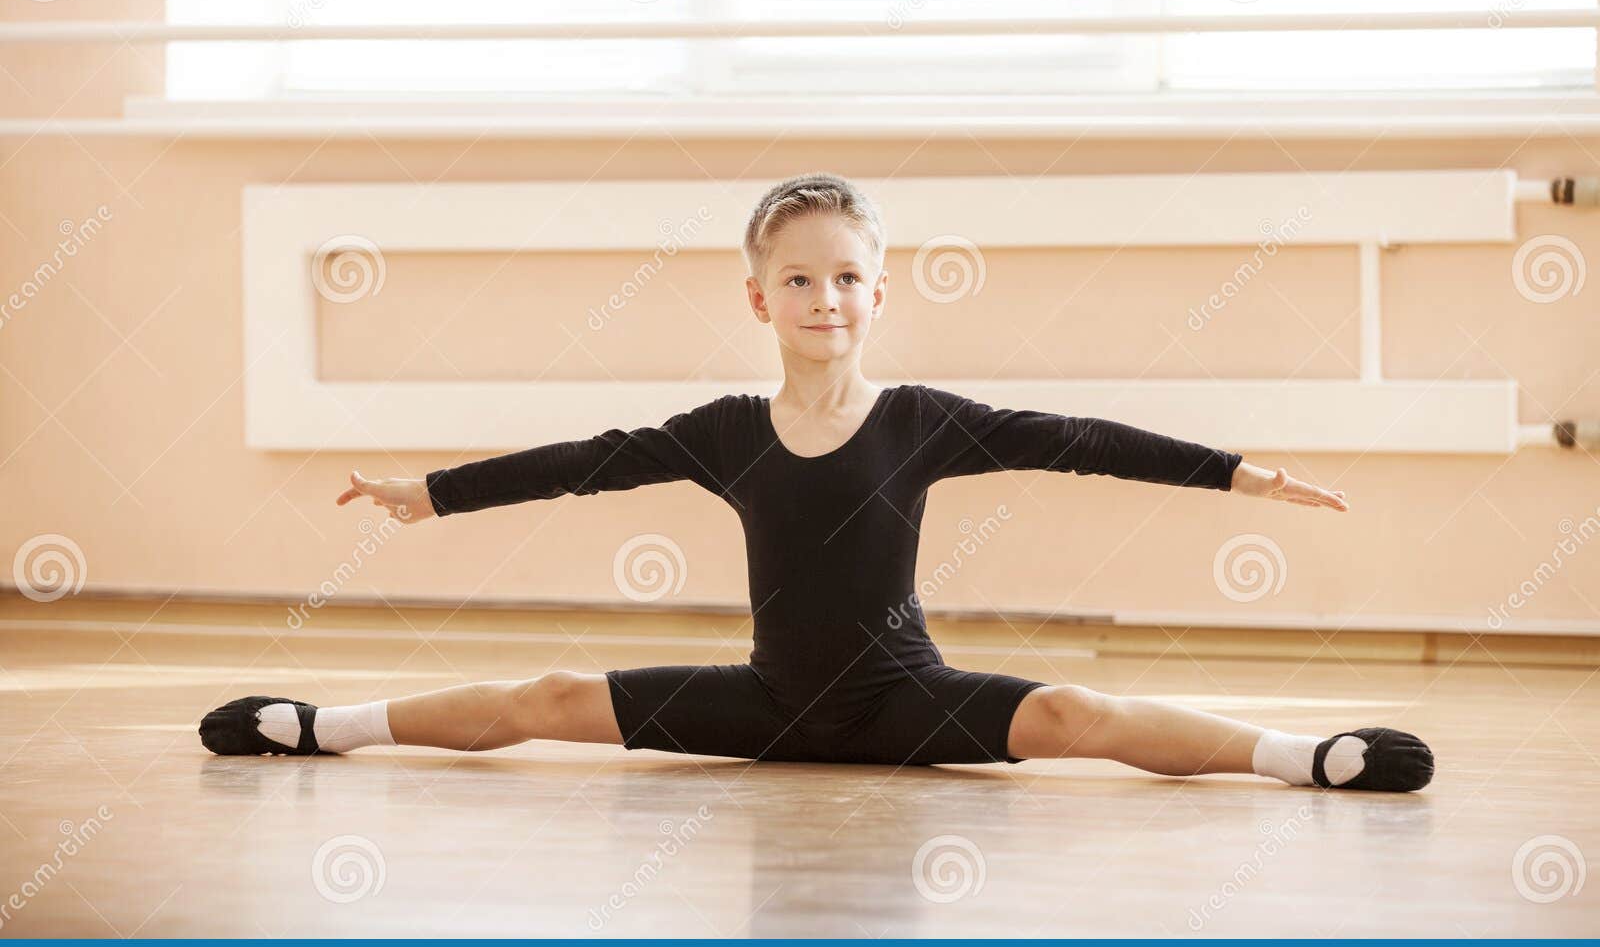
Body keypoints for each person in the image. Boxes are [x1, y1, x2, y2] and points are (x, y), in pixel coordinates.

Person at [200, 173, 1433, 793]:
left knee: (1075, 714)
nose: (823, 297)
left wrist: (1236, 474)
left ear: (877, 292)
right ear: (759, 299)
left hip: (905, 700)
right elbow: (586, 463)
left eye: (845, 277)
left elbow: (1079, 438)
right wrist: (433, 491)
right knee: (549, 694)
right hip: (767, 702)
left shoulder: (924, 421)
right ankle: (318, 726)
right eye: (797, 279)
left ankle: (1305, 755)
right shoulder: (725, 431)